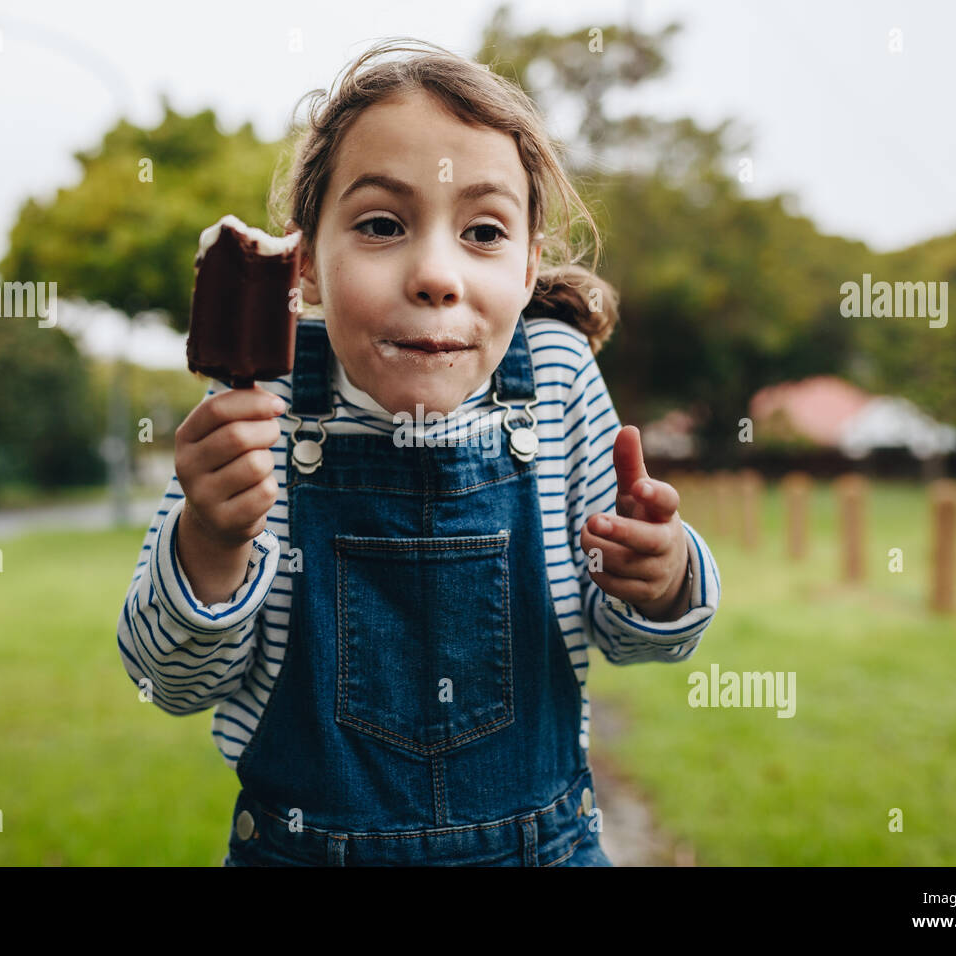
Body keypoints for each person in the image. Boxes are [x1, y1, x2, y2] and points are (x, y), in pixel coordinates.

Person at [116, 38, 721, 866]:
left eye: (482, 230)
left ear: (529, 262)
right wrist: (210, 544)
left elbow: (640, 639)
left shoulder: (555, 376)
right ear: (307, 265)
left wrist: (664, 576)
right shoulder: (261, 403)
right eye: (380, 225)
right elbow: (170, 680)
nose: (436, 273)